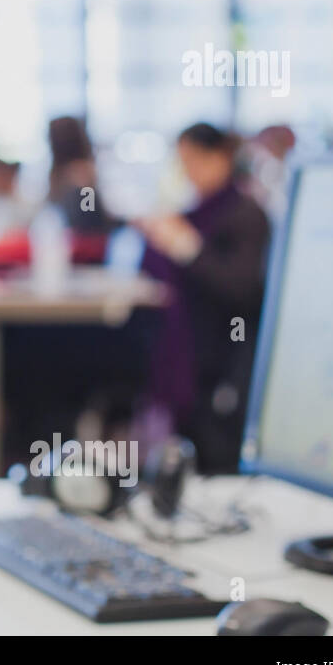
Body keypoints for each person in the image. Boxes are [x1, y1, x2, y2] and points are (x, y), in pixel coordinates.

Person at [134, 122, 271, 474]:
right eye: (183, 162)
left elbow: (242, 288)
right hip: (186, 353)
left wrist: (189, 249)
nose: (190, 171)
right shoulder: (192, 211)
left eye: (196, 160)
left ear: (221, 157)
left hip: (223, 357)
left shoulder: (246, 213)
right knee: (185, 448)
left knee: (215, 453)